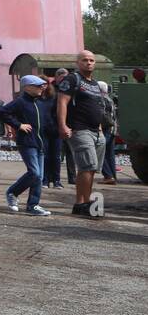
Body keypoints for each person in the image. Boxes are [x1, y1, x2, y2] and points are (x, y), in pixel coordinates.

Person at [56, 51, 106, 217]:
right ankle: (83, 203)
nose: (89, 63)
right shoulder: (72, 79)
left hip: (96, 131)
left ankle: (82, 203)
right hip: (80, 129)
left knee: (90, 169)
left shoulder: (95, 84)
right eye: (85, 60)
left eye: (92, 60)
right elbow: (62, 102)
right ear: (78, 63)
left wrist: (99, 128)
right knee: (87, 166)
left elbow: (97, 107)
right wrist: (63, 125)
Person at [0, 75, 52, 216]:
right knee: (34, 172)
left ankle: (33, 205)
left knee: (38, 177)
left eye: (42, 85)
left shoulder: (41, 103)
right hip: (27, 143)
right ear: (27, 87)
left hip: (40, 143)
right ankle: (12, 192)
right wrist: (18, 125)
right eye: (38, 85)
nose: (41, 87)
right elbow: (2, 112)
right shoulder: (20, 102)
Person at [39, 78, 63, 188]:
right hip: (42, 131)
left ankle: (56, 180)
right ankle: (45, 180)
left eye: (45, 84)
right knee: (45, 156)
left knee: (56, 157)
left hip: (55, 130)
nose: (43, 86)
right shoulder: (35, 98)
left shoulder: (55, 97)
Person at [98, 81, 118, 184]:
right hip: (113, 129)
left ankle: (108, 175)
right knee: (110, 154)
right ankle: (113, 176)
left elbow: (102, 115)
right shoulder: (110, 99)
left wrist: (99, 126)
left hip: (106, 129)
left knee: (99, 152)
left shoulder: (101, 100)